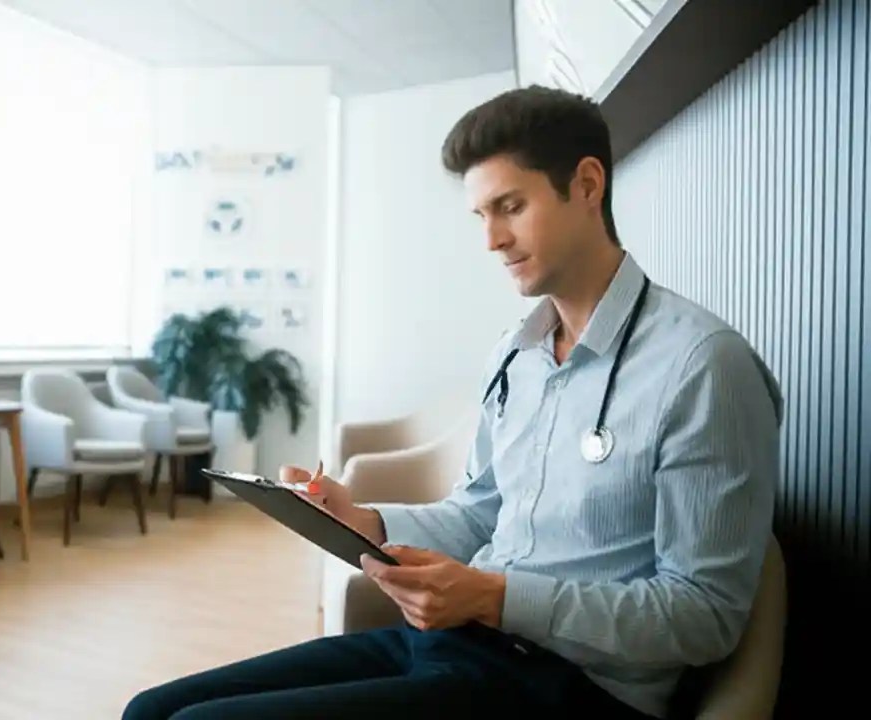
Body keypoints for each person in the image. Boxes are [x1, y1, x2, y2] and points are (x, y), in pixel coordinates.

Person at [123, 85, 783, 720]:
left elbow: (705, 617)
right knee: (151, 709)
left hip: (577, 688)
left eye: (510, 207)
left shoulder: (703, 366)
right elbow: (480, 513)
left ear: (587, 185)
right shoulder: (518, 356)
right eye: (481, 215)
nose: (491, 239)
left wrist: (497, 598)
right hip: (460, 646)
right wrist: (363, 521)